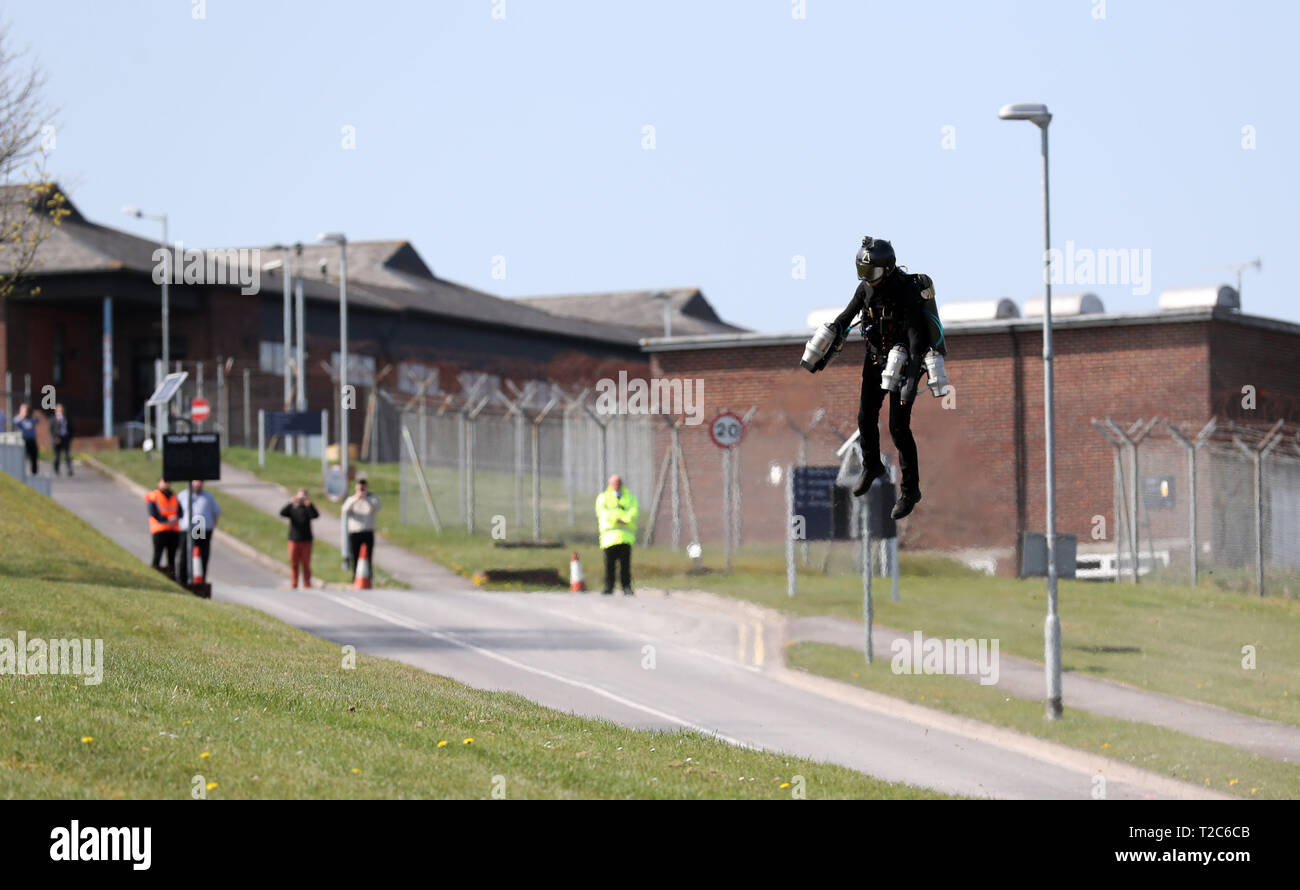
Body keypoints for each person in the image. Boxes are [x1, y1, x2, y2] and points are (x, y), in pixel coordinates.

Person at [830, 236, 930, 519]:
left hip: (904, 361)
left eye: (871, 273)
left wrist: (911, 380)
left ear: (887, 269)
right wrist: (832, 330)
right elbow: (847, 315)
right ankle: (871, 465)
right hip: (875, 359)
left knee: (898, 428)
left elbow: (916, 338)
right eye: (862, 273)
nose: (867, 279)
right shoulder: (865, 289)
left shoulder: (906, 291)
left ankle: (910, 491)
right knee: (864, 417)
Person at [594, 474, 638, 595]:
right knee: (609, 565)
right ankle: (609, 586)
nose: (616, 484)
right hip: (609, 538)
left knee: (625, 565)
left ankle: (626, 586)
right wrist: (616, 519)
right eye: (614, 482)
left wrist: (625, 519)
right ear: (610, 484)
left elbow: (634, 511)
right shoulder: (603, 497)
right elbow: (602, 512)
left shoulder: (629, 497)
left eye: (618, 482)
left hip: (625, 537)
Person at [177, 480, 221, 583]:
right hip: (187, 530)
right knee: (185, 555)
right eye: (196, 482)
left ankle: (201, 580)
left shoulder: (208, 497)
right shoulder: (183, 495)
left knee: (203, 556)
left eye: (200, 482)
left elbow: (216, 512)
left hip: (203, 530)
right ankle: (182, 580)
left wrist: (213, 526)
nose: (198, 484)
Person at [341, 478, 381, 581]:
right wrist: (356, 498)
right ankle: (355, 577)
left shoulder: (372, 498)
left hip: (367, 531)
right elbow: (345, 510)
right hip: (355, 532)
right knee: (355, 555)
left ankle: (369, 577)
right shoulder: (351, 499)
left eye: (364, 487)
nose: (362, 489)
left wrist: (366, 498)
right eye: (360, 487)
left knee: (368, 556)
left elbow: (377, 508)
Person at [280, 488, 320, 589]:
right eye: (300, 496)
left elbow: (315, 515)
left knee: (306, 564)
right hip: (293, 539)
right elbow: (282, 513)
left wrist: (309, 504)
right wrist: (291, 502)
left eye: (303, 496)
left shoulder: (307, 509)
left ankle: (307, 584)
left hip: (306, 540)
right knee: (294, 563)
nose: (301, 499)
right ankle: (294, 584)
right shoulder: (293, 508)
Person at [145, 478, 181, 579]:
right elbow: (153, 513)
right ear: (159, 483)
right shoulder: (154, 495)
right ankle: (153, 578)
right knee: (158, 555)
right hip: (159, 530)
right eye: (164, 481)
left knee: (172, 558)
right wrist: (167, 519)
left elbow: (180, 511)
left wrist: (176, 517)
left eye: (168, 482)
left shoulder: (174, 496)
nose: (166, 484)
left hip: (173, 531)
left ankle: (172, 579)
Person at [14, 403, 39, 476]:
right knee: (22, 456)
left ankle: (34, 472)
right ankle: (20, 471)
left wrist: (30, 415)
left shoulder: (31, 418)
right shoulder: (18, 418)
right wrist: (22, 416)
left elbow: (37, 420)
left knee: (34, 455)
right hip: (23, 440)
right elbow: (16, 422)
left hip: (32, 440)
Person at [51, 404, 74, 476]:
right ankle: (56, 469)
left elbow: (71, 429)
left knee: (67, 455)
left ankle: (69, 469)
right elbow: (51, 430)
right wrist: (55, 438)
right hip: (57, 439)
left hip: (65, 439)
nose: (60, 412)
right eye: (59, 410)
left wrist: (69, 438)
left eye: (61, 410)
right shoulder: (53, 419)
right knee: (57, 456)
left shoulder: (67, 419)